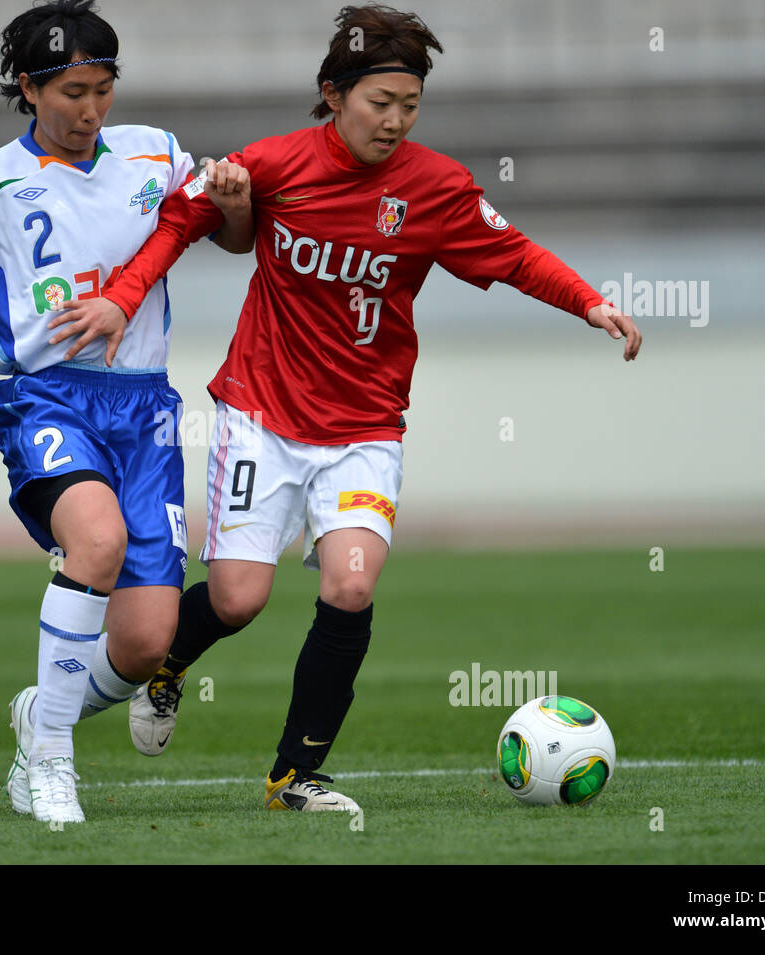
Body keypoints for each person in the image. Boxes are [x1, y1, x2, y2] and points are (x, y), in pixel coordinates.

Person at [56, 3, 642, 812]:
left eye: (410, 105)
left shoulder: (435, 188)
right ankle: (169, 663)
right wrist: (122, 299)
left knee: (352, 586)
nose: (396, 121)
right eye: (380, 103)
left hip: (365, 426)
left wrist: (591, 302)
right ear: (333, 94)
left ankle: (293, 775)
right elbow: (177, 222)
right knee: (237, 598)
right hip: (262, 409)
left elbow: (513, 257)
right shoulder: (273, 164)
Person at [0, 0, 252, 824]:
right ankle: (52, 763)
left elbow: (232, 237)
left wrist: (237, 201)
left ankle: (43, 714)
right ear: (29, 89)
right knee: (94, 539)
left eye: (102, 87)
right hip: (44, 397)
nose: (90, 108)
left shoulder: (155, 155)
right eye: (71, 90)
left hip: (145, 411)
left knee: (142, 644)